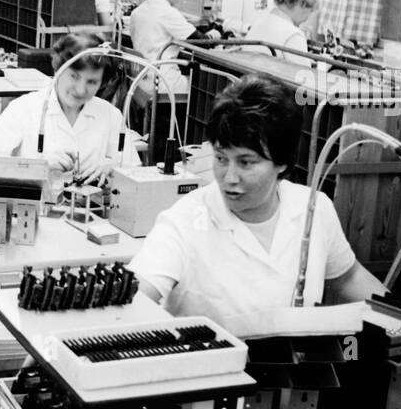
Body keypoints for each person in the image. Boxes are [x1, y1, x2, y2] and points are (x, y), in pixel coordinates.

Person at [129, 74, 383, 331]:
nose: (229, 177)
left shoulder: (314, 209)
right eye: (220, 158)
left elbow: (348, 276)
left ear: (282, 161)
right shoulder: (186, 219)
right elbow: (136, 297)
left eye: (246, 162)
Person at [0, 32, 141, 194]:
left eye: (92, 82)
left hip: (91, 216)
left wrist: (113, 169)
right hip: (34, 212)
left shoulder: (110, 114)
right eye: (74, 77)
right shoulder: (25, 108)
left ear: (103, 82)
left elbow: (135, 172)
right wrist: (37, 168)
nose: (81, 89)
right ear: (58, 69)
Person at [128, 0, 216, 94]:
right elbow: (202, 43)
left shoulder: (139, 10)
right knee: (206, 88)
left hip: (139, 80)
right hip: (162, 82)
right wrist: (213, 36)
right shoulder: (167, 12)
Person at [247, 0, 321, 63]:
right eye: (311, 11)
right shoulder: (294, 35)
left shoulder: (259, 22)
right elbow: (303, 74)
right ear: (301, 6)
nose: (307, 19)